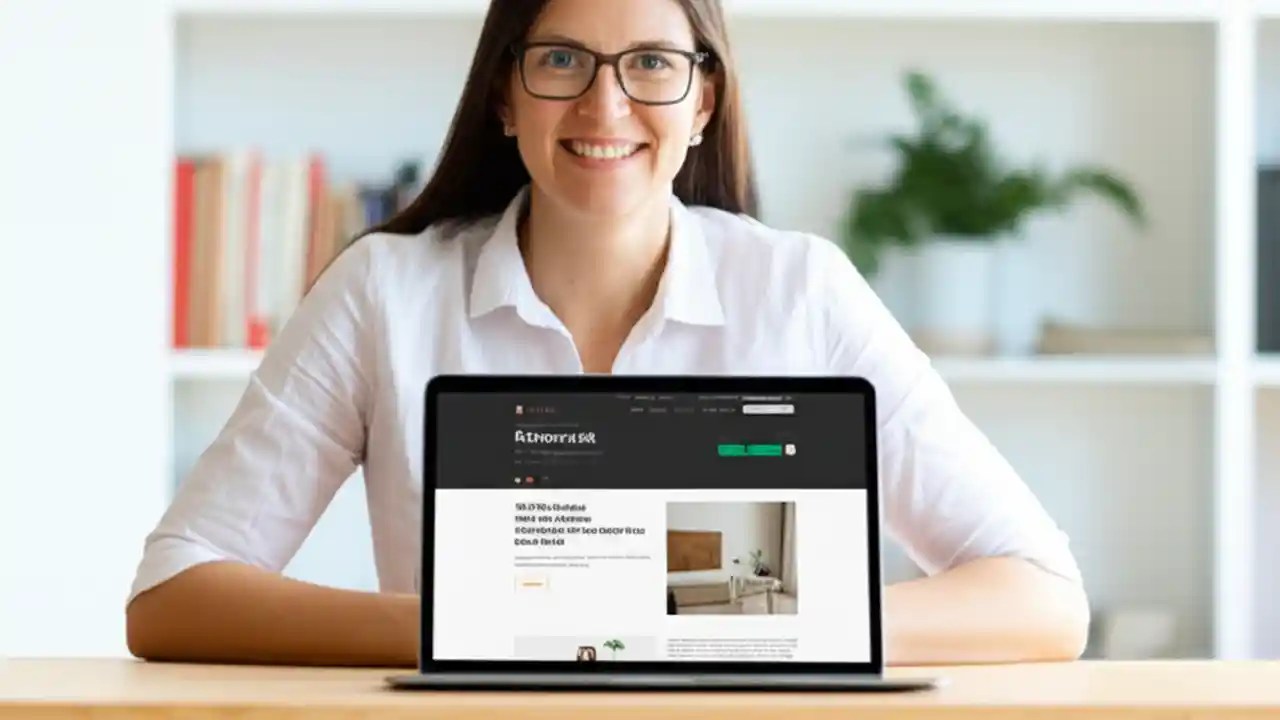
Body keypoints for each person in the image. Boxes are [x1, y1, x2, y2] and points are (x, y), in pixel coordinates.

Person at [125, 0, 1089, 667]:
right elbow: (174, 594)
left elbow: (1043, 597)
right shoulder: (384, 293)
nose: (605, 104)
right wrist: (470, 632)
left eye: (652, 64)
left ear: (703, 102)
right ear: (504, 95)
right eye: (561, 60)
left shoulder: (802, 290)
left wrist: (759, 629)